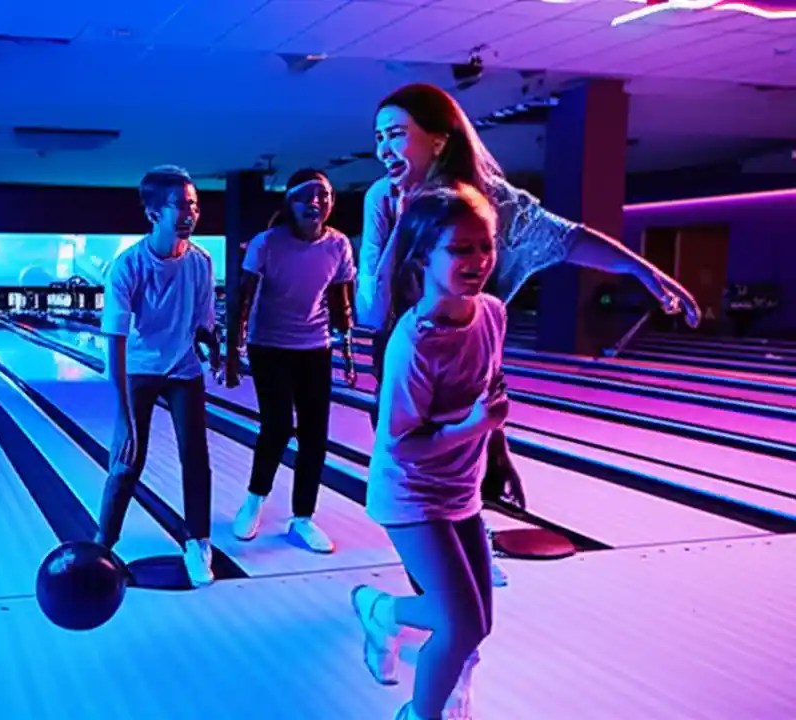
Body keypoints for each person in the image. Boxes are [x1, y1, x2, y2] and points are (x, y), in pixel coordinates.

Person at [358, 83, 702, 586]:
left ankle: (445, 600)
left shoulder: (493, 200)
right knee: (419, 487)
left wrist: (643, 271)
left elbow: (568, 238)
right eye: (379, 138)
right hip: (408, 366)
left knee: (464, 484)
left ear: (438, 141)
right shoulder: (381, 200)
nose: (384, 149)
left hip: (471, 364)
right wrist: (403, 220)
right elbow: (372, 309)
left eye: (396, 135)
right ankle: (429, 607)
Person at [352, 183, 507, 720]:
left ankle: (382, 612)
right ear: (424, 257)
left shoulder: (491, 314)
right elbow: (401, 446)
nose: (478, 260)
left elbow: (489, 393)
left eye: (484, 245)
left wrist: (497, 449)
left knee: (477, 623)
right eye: (460, 249)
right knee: (459, 623)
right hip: (411, 494)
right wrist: (472, 426)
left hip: (461, 492)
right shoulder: (414, 343)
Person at [96, 165, 221, 588]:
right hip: (138, 368)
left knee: (196, 458)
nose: (190, 212)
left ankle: (198, 541)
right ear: (153, 213)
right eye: (180, 205)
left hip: (183, 368)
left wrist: (218, 350)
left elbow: (204, 326)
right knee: (128, 460)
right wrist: (123, 415)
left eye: (194, 204)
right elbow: (112, 343)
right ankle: (102, 544)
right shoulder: (128, 266)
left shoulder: (201, 262)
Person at [224, 169, 357, 553]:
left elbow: (340, 303)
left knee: (315, 435)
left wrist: (347, 351)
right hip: (269, 345)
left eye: (324, 195)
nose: (315, 202)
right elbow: (241, 299)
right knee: (278, 426)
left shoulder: (338, 245)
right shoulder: (267, 243)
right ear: (289, 203)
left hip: (315, 347)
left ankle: (303, 517)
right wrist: (233, 352)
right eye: (305, 196)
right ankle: (254, 499)